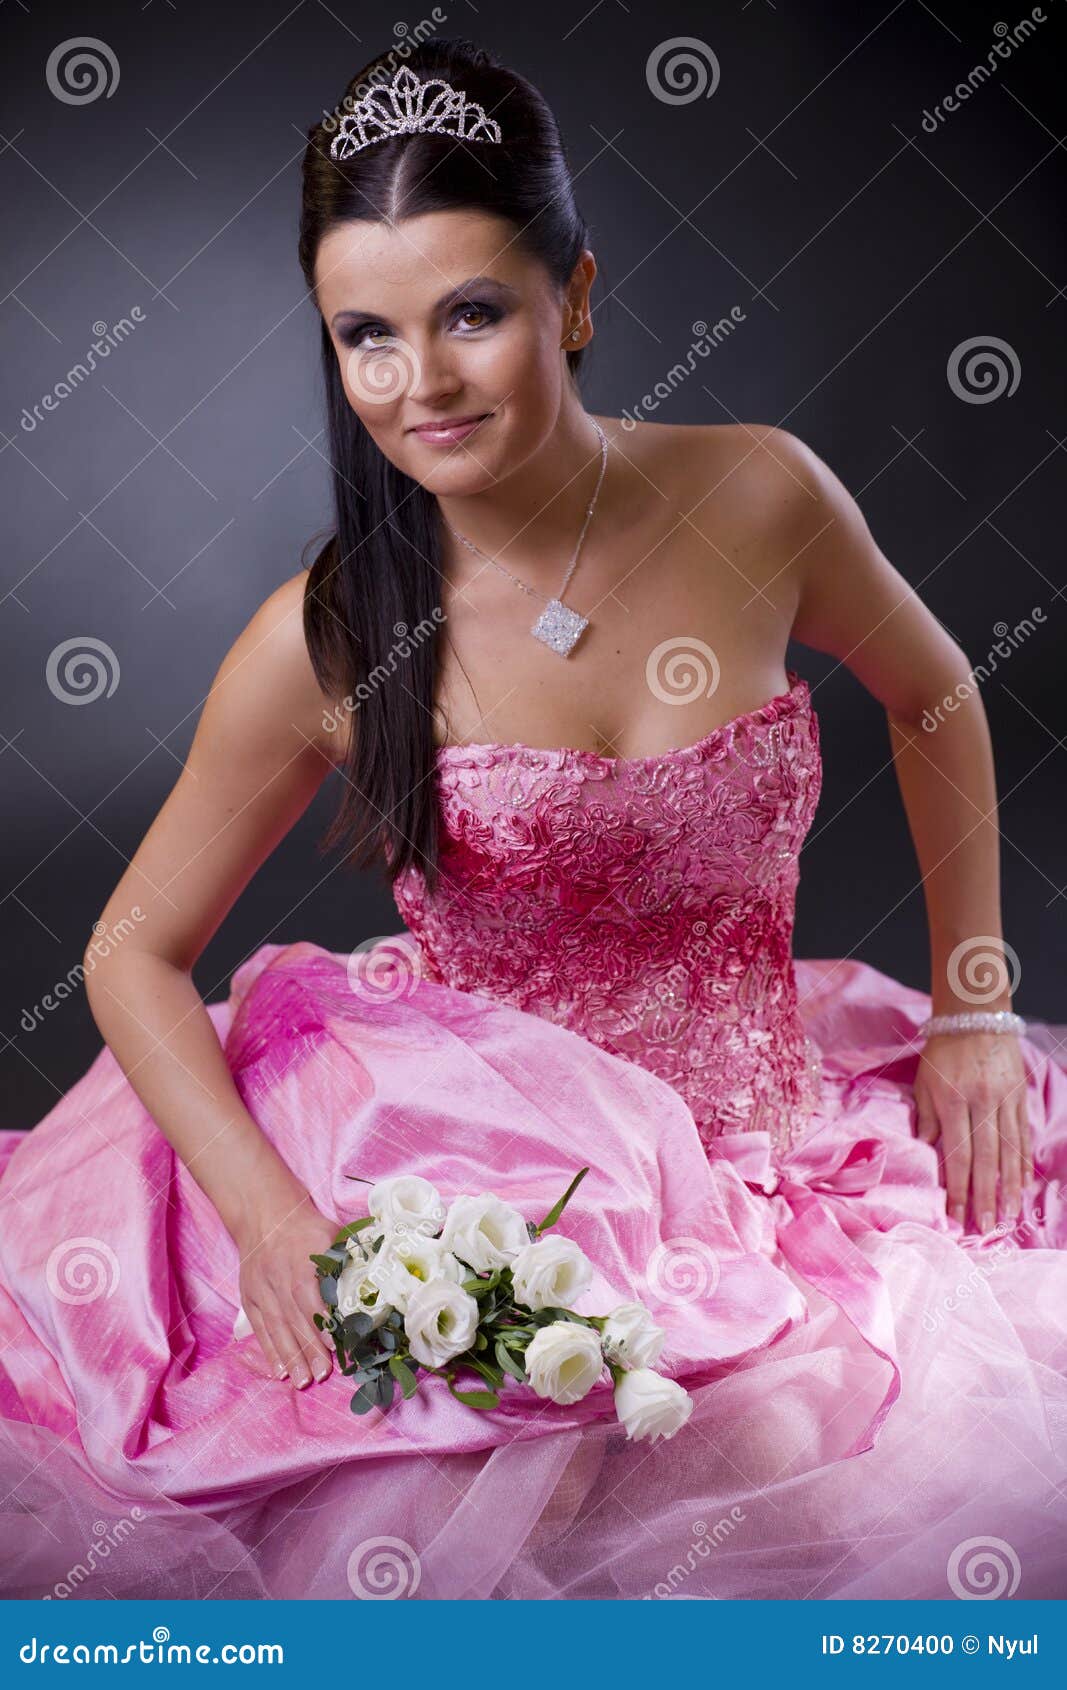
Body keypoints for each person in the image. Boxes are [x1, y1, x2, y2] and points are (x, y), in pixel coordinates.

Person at [2, 36, 1066, 1604]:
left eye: (472, 315)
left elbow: (936, 695)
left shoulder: (761, 496)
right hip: (490, 1163)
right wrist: (272, 1216)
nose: (418, 383)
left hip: (777, 1129)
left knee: (920, 1448)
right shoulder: (337, 632)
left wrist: (976, 993)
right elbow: (130, 952)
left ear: (572, 296)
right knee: (545, 1504)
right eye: (366, 336)